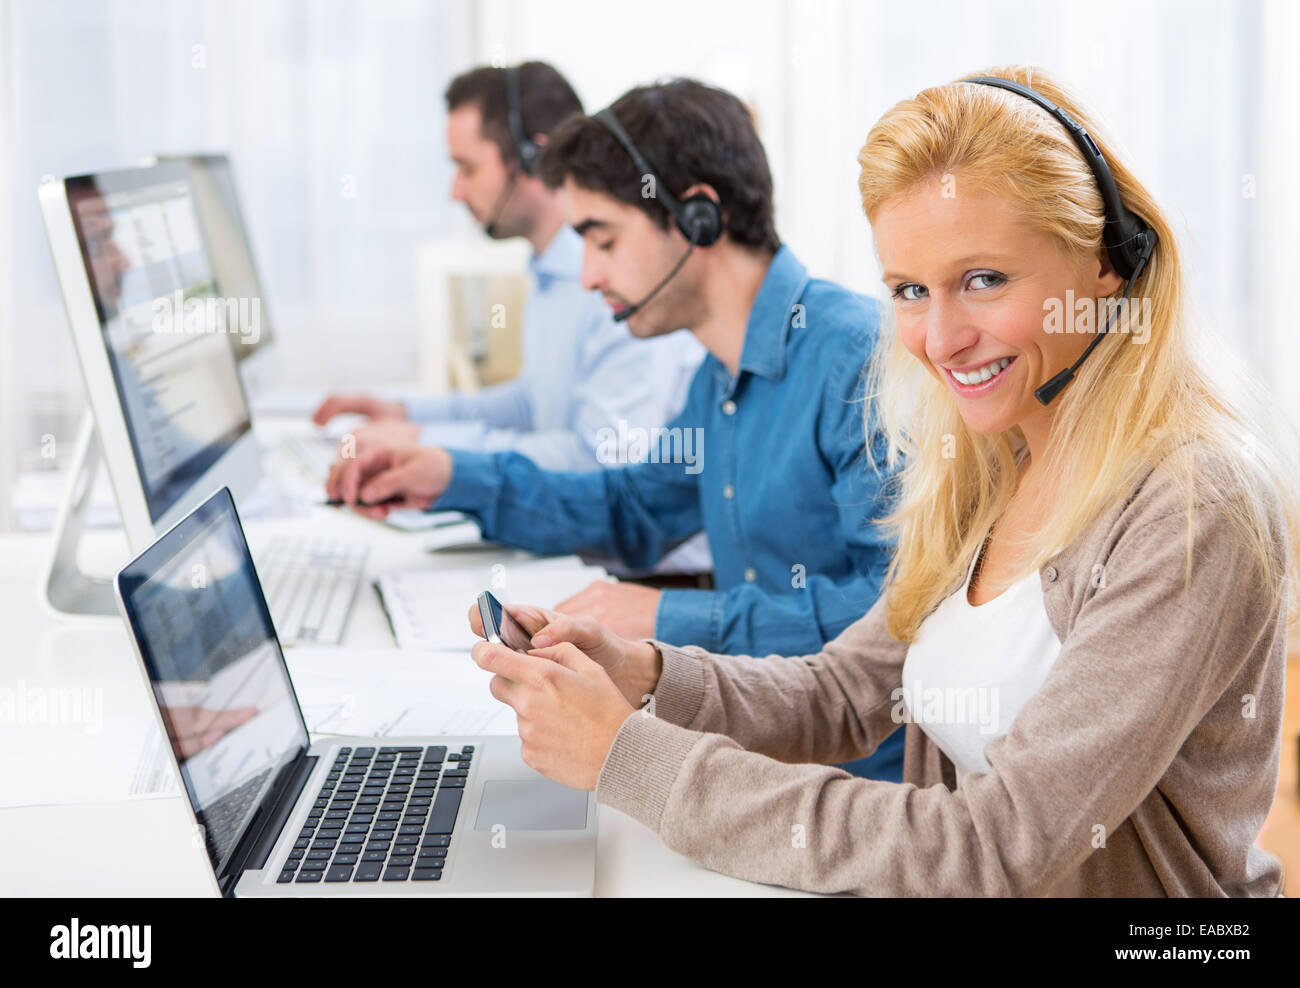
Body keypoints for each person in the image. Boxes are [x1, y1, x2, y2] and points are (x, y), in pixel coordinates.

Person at [462, 65, 1299, 896]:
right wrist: (643, 672)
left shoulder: (1195, 507)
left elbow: (997, 845)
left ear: (1109, 264)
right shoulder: (991, 465)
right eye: (908, 290)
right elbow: (848, 691)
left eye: (984, 280)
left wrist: (629, 757)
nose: (939, 339)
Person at [330, 78, 908, 783]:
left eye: (602, 239)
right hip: (756, 757)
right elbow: (632, 509)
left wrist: (670, 616)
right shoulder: (719, 377)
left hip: (858, 786)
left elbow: (891, 611)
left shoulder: (857, 360)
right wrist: (453, 475)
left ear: (698, 218)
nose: (587, 275)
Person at [312, 61, 702, 471]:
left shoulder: (619, 280)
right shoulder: (550, 268)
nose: (456, 192)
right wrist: (403, 414)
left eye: (468, 168)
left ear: (533, 158)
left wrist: (424, 444)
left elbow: (598, 457)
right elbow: (533, 403)